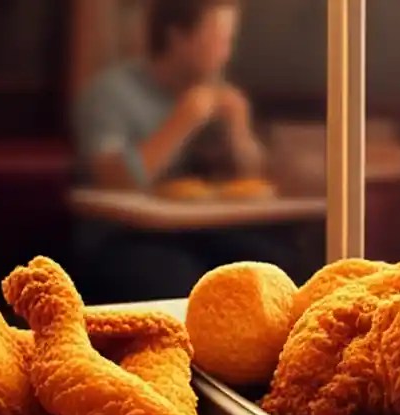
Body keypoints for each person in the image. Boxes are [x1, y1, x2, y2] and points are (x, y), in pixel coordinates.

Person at [71, 0, 279, 301]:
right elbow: (114, 180)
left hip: (195, 230)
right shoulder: (109, 93)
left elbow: (253, 181)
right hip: (119, 237)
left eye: (229, 42)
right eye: (218, 41)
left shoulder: (214, 96)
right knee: (179, 278)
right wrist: (183, 120)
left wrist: (240, 130)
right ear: (178, 37)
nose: (226, 54)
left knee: (274, 264)